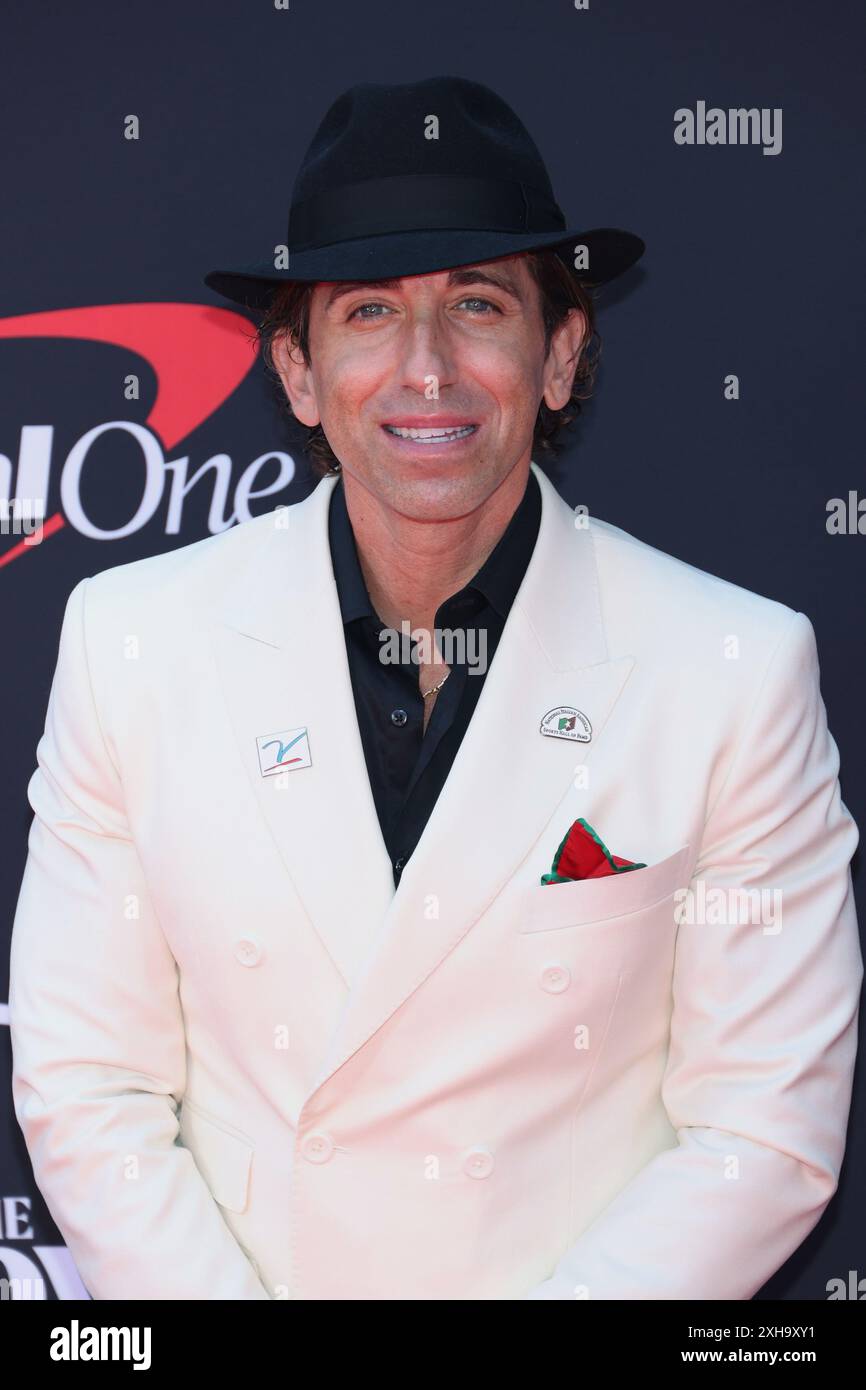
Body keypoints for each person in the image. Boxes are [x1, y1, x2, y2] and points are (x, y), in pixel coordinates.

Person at [9, 76, 861, 1300]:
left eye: (475, 305)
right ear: (297, 373)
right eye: (366, 312)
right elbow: (88, 1079)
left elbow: (760, 1130)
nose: (424, 369)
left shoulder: (730, 669)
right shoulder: (131, 641)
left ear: (557, 354)